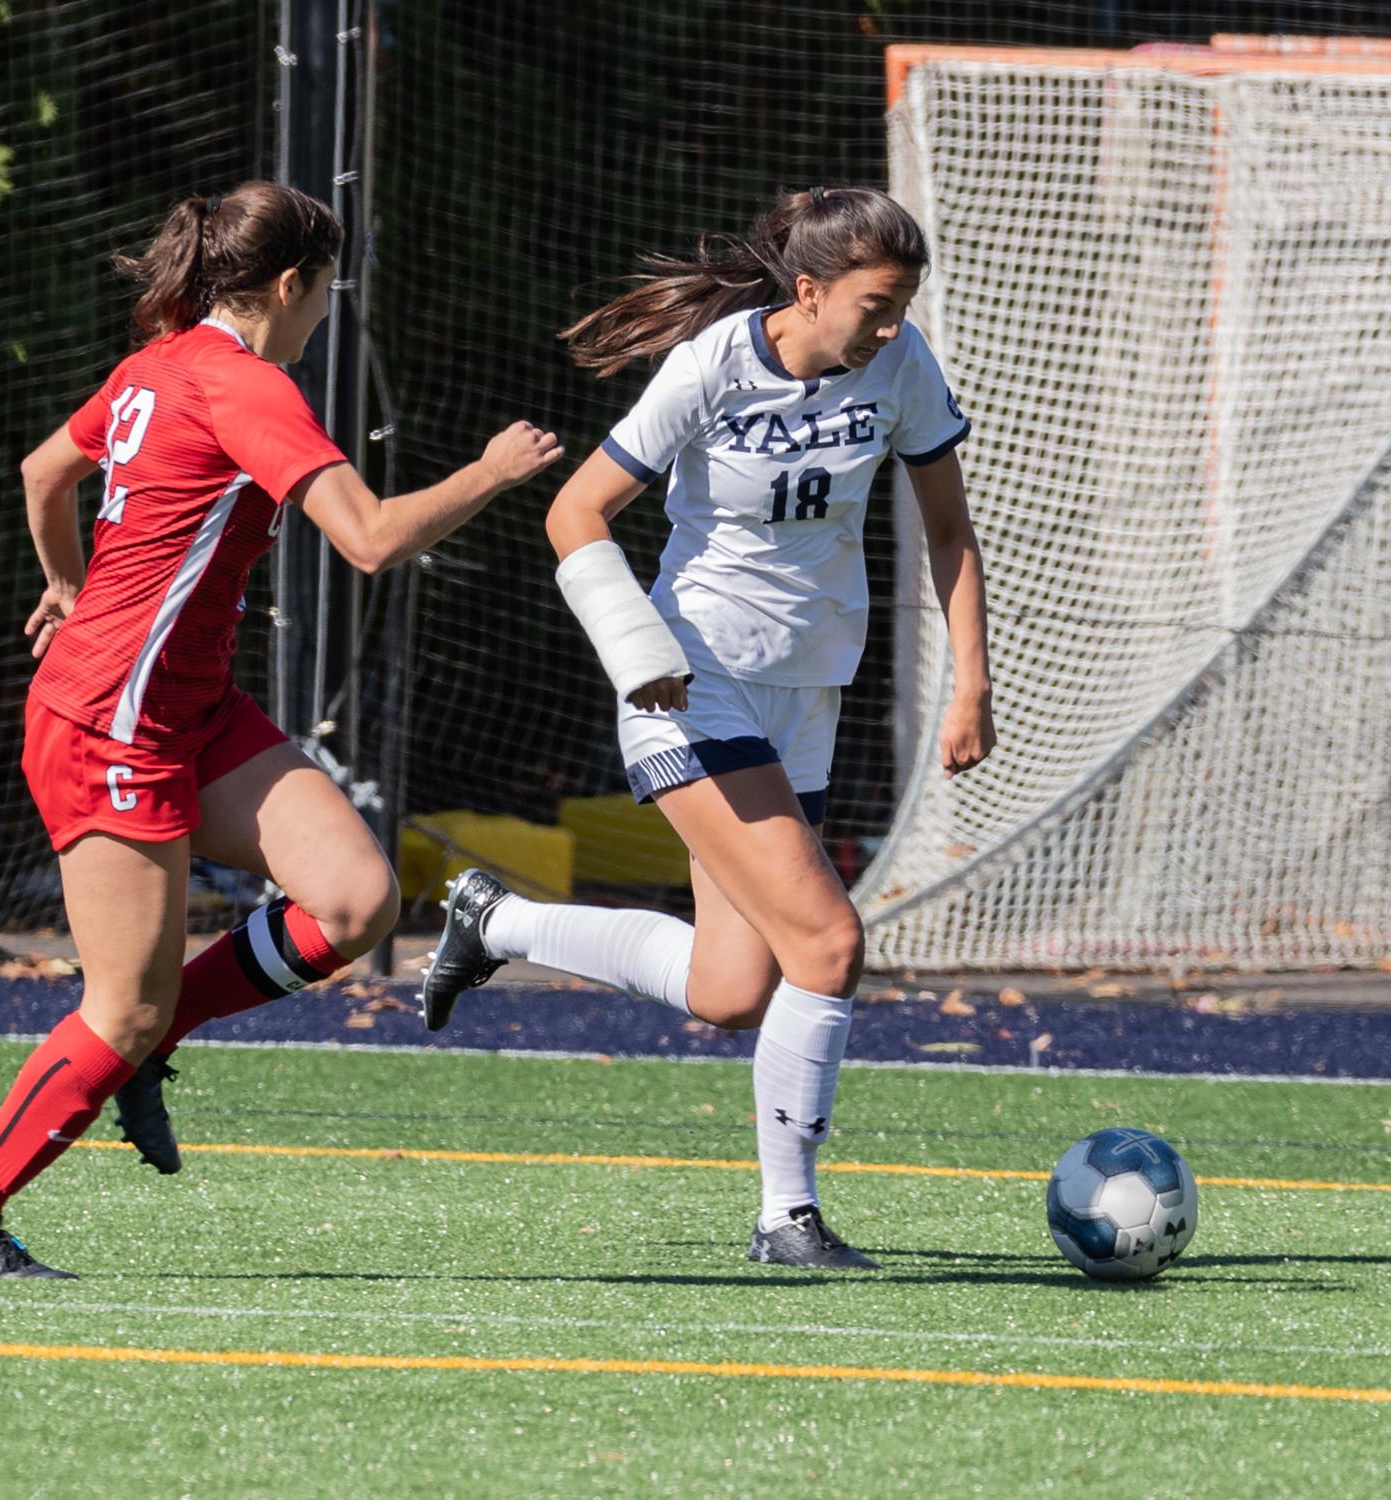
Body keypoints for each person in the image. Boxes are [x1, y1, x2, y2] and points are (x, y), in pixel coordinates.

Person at [0, 181, 561, 1278]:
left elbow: (42, 473)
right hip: (110, 720)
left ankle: (152, 1040)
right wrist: (491, 474)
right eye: (326, 295)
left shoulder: (158, 364)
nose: (323, 318)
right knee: (118, 1009)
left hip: (190, 706)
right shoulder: (240, 385)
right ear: (294, 284)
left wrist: (69, 582)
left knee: (354, 900)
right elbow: (366, 538)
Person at [419, 185, 994, 1270]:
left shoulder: (902, 366)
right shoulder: (711, 366)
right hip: (692, 689)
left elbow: (948, 530)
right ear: (809, 289)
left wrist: (971, 680)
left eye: (902, 304)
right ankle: (788, 1219)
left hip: (806, 695)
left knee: (734, 990)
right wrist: (640, 654)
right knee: (826, 943)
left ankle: (496, 924)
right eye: (873, 304)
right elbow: (571, 512)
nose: (888, 326)